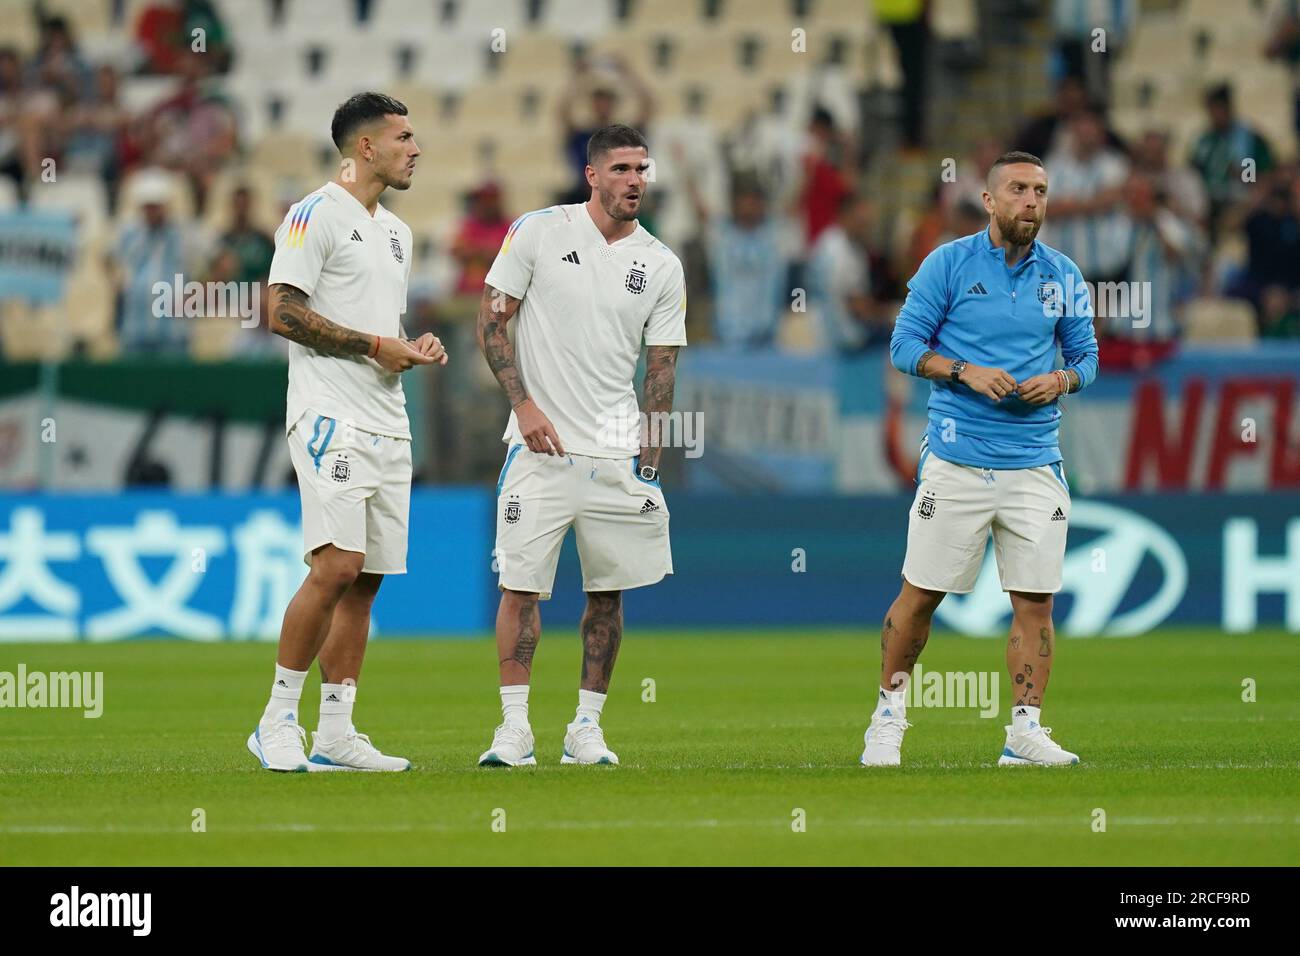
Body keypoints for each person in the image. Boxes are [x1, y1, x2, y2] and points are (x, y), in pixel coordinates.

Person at [862, 150, 1099, 768]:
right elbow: (903, 346)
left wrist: (1063, 381)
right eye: (1018, 189)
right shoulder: (948, 263)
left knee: (1036, 602)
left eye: (1041, 191)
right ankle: (887, 719)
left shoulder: (1064, 274)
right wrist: (965, 371)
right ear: (990, 200)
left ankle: (1024, 732)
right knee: (921, 594)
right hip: (957, 458)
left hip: (1034, 460)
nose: (1031, 201)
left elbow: (1087, 357)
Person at [474, 124, 686, 767]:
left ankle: (585, 728)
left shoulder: (661, 263)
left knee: (607, 594)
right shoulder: (538, 231)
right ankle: (514, 730)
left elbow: (662, 366)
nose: (634, 181)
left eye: (641, 170)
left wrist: (653, 448)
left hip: (615, 451)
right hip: (539, 449)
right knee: (520, 587)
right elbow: (489, 320)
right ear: (592, 174)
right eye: (621, 169)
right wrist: (524, 404)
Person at [247, 92, 447, 773]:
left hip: (388, 420)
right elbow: (280, 312)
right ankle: (276, 721)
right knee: (335, 565)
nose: (415, 149)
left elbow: (375, 330)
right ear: (365, 147)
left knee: (366, 582)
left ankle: (335, 731)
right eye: (404, 137)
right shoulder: (312, 215)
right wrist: (372, 346)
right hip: (330, 415)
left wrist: (408, 347)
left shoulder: (397, 232)